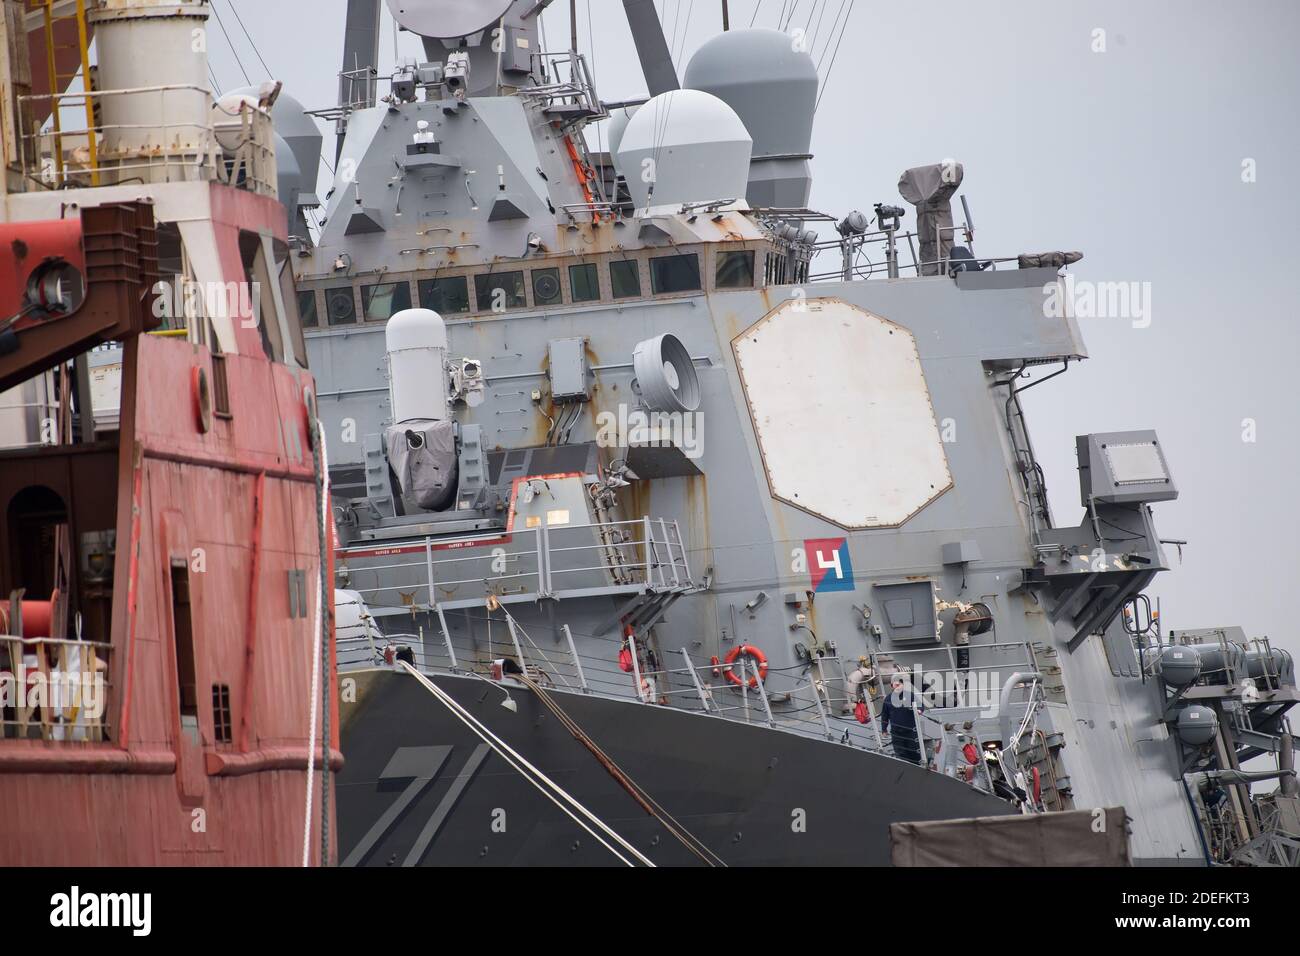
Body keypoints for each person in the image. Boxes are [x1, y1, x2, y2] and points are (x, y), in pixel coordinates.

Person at [880, 673, 924, 764]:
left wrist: (919, 710)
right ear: (891, 685)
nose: (897, 686)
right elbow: (885, 715)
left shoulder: (910, 696)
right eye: (895, 684)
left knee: (914, 754)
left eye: (899, 684)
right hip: (896, 733)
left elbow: (920, 705)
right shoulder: (888, 699)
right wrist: (884, 729)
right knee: (901, 756)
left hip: (911, 732)